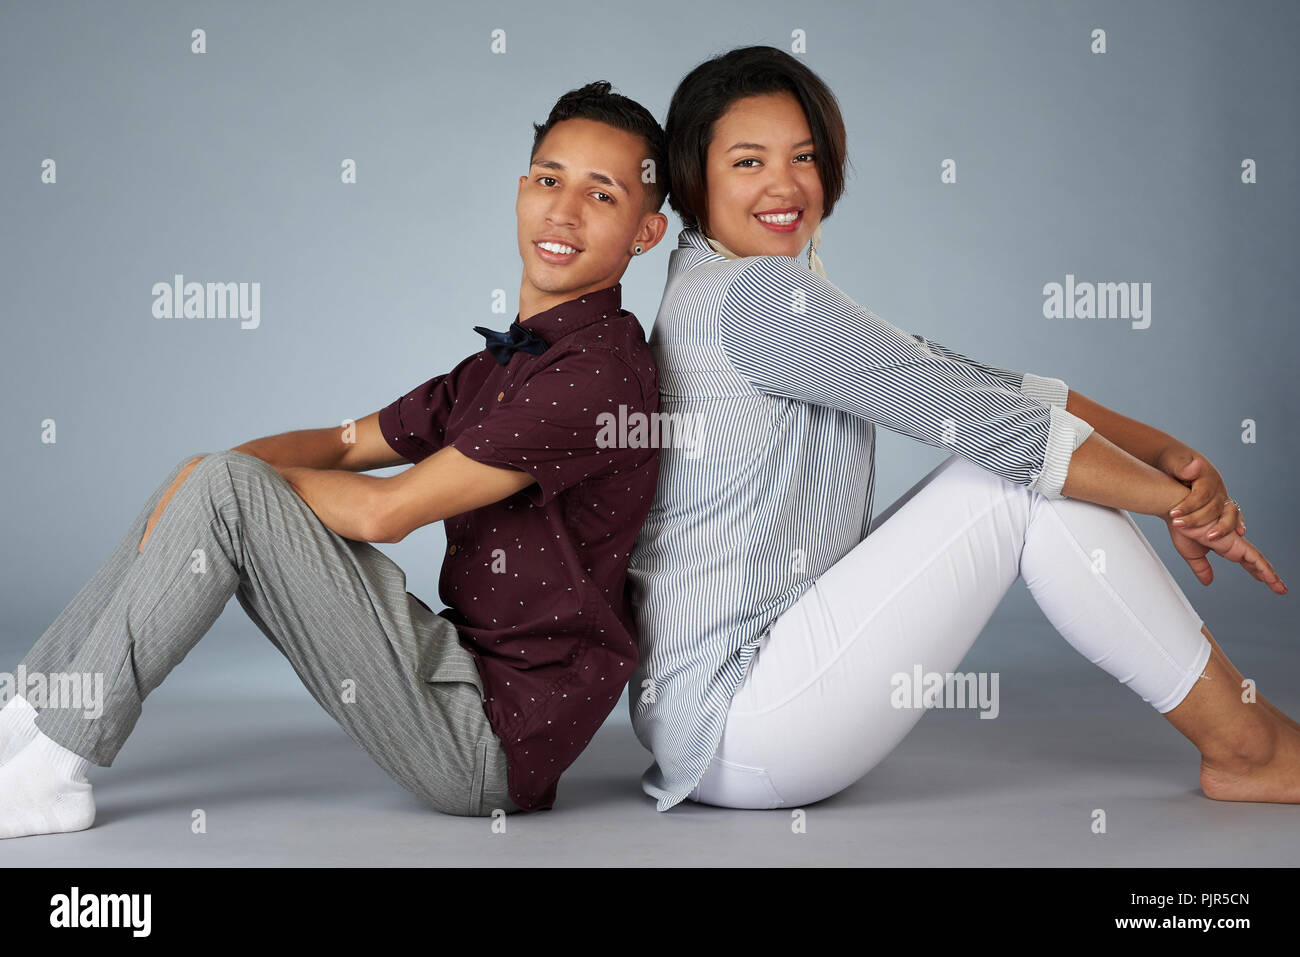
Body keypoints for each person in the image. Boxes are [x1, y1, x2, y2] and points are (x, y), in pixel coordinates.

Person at [627, 45, 1296, 814]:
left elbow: (961, 376)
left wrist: (1167, 454)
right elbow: (990, 422)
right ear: (694, 177)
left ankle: (1253, 735)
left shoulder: (722, 287)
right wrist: (1184, 505)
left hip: (715, 722)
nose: (786, 185)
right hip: (745, 720)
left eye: (803, 156)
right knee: (1015, 482)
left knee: (1015, 461)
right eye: (748, 161)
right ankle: (1249, 747)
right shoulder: (758, 296)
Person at [0, 80, 669, 838]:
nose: (564, 211)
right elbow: (346, 442)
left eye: (602, 195)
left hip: (487, 742)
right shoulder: (509, 363)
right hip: (453, 666)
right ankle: (24, 723)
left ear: (646, 232)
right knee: (211, 473)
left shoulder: (597, 374)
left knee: (222, 484)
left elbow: (387, 512)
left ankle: (54, 767)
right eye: (549, 180)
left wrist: (224, 487)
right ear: (521, 191)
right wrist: (207, 475)